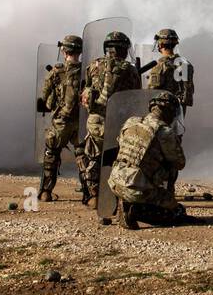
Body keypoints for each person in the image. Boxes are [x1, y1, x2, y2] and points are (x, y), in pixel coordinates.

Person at [108, 90, 188, 228]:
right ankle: (134, 211)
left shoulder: (131, 121)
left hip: (115, 181)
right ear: (168, 111)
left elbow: (120, 145)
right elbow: (180, 163)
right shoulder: (164, 132)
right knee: (177, 212)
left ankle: (128, 202)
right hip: (137, 186)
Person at [79, 31, 140, 208]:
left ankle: (94, 195)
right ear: (124, 49)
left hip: (96, 120)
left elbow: (87, 90)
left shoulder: (92, 66)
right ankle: (117, 196)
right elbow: (135, 97)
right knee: (119, 159)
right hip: (119, 121)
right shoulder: (129, 70)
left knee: (94, 158)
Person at [37, 34, 82, 202]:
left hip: (61, 122)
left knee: (51, 154)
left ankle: (46, 192)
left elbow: (45, 97)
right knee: (83, 155)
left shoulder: (56, 71)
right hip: (81, 122)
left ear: (64, 51)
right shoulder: (87, 71)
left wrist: (52, 104)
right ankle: (92, 194)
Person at [146, 28, 194, 108]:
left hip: (162, 112)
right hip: (179, 112)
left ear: (160, 44)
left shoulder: (160, 65)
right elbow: (188, 92)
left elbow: (150, 93)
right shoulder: (186, 64)